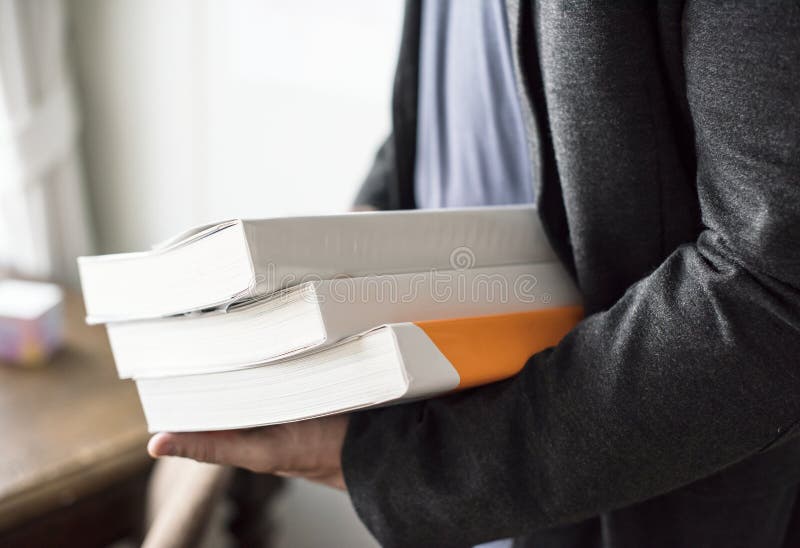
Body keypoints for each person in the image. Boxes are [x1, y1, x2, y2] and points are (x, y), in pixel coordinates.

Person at [148, 1, 800, 546]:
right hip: (458, 469)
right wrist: (325, 279)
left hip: (638, 503)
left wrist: (408, 471)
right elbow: (462, 97)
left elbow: (771, 292)